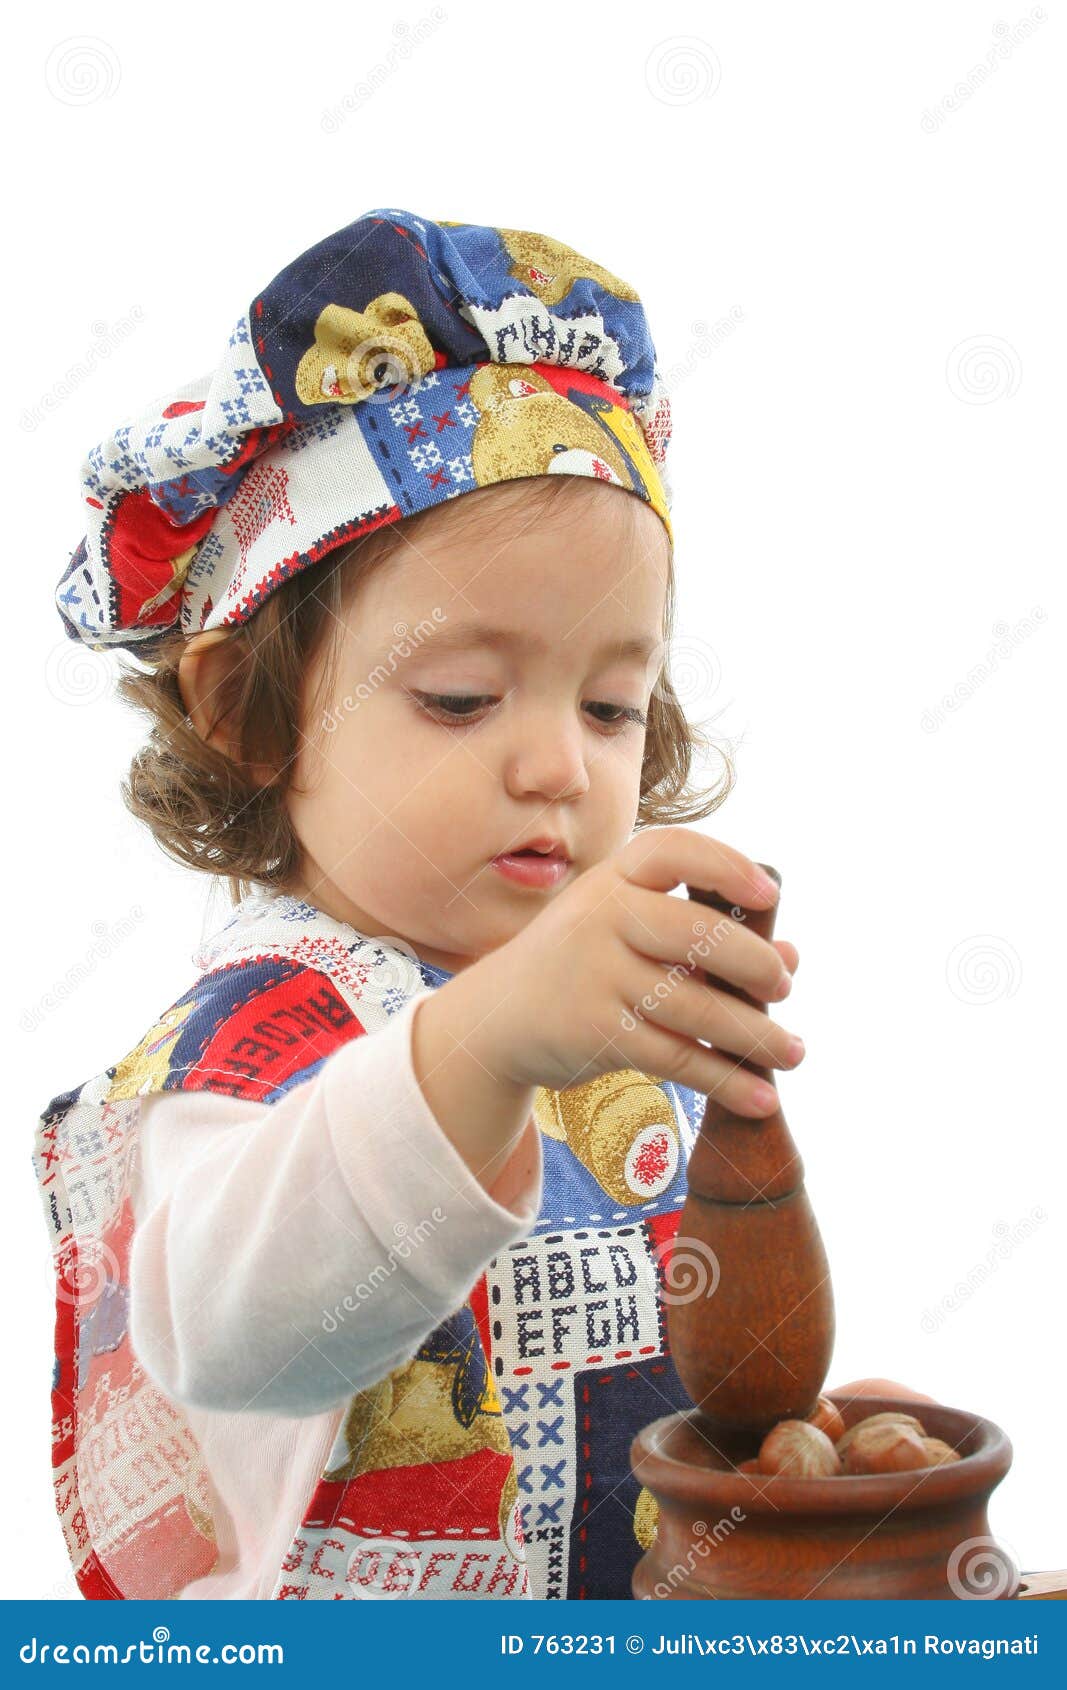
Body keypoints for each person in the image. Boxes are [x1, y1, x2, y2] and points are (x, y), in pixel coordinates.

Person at [34, 208, 930, 1602]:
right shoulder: (246, 1047)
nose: (559, 764)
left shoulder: (610, 1030)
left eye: (615, 704)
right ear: (252, 719)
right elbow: (230, 1331)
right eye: (460, 697)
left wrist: (772, 1450)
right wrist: (488, 1039)